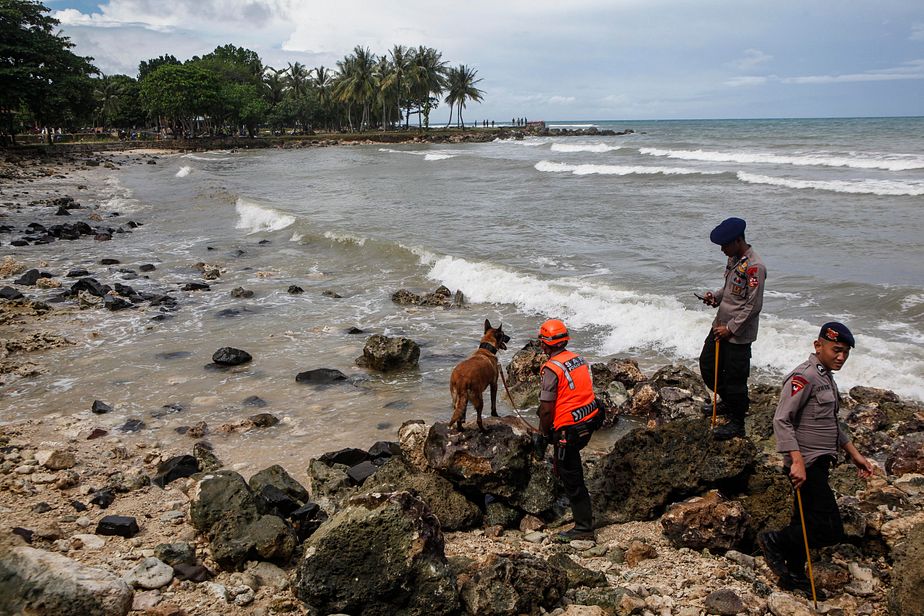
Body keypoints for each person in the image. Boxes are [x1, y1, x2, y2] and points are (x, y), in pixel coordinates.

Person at [758, 322, 875, 593]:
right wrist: (796, 461)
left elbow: (831, 425)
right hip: (806, 464)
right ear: (817, 345)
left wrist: (855, 455)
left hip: (821, 462)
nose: (841, 357)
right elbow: (782, 420)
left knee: (804, 523)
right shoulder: (804, 376)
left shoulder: (826, 378)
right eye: (836, 350)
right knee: (829, 528)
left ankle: (793, 576)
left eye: (846, 352)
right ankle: (773, 541)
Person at [697, 217, 766, 440]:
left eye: (725, 245)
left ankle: (738, 422)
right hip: (720, 325)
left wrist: (732, 328)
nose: (722, 250)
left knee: (736, 379)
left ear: (738, 240)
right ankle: (727, 401)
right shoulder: (735, 259)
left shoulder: (755, 267)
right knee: (708, 366)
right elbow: (730, 290)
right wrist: (715, 298)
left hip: (737, 334)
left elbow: (753, 306)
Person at [536, 318, 603, 542]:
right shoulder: (577, 359)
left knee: (572, 478)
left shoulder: (551, 369)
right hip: (591, 418)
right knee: (569, 469)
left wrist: (544, 436)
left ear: (545, 344)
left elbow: (546, 410)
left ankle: (584, 527)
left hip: (570, 430)